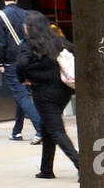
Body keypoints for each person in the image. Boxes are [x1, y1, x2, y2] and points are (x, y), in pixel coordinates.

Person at [16, 11, 78, 179]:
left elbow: (20, 64)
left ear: (30, 27)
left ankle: (81, 164)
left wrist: (24, 78)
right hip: (64, 90)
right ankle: (46, 169)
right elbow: (73, 50)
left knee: (56, 131)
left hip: (44, 93)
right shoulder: (57, 41)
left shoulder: (29, 45)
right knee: (47, 127)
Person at [0, 0, 44, 145]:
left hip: (11, 61)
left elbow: (0, 43)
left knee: (21, 95)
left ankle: (40, 129)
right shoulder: (26, 14)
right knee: (21, 94)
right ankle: (16, 131)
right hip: (28, 59)